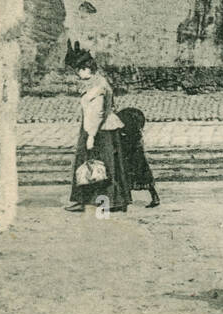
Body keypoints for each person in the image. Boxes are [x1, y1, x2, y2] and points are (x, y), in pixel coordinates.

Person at [64, 40, 131, 213]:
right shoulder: (100, 81)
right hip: (104, 128)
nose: (79, 75)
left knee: (97, 164)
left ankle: (93, 200)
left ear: (86, 69)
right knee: (106, 164)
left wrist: (91, 135)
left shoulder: (97, 86)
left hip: (98, 129)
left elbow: (97, 112)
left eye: (79, 71)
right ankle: (112, 200)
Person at [116, 107, 160, 208]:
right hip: (137, 154)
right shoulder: (137, 134)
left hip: (130, 153)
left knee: (126, 174)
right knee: (144, 176)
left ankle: (126, 200)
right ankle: (154, 197)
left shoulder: (126, 131)